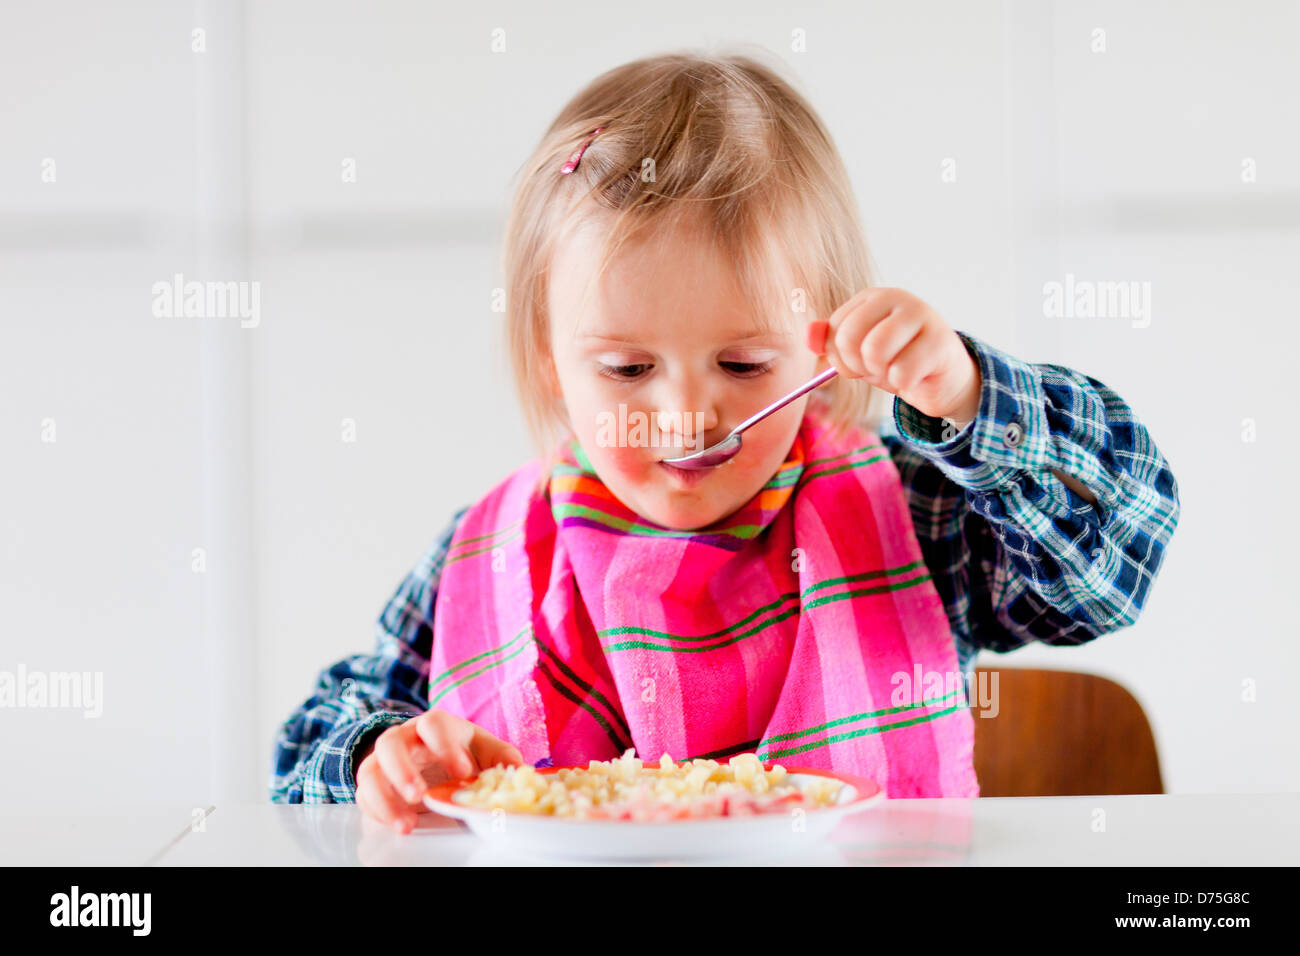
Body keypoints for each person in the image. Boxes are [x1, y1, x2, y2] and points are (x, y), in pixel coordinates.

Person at [270, 50, 1180, 833]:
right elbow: (307, 747)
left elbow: (1110, 562)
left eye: (743, 364)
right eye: (627, 370)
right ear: (552, 363)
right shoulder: (495, 552)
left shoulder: (913, 510)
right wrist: (373, 759)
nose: (685, 418)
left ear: (823, 341)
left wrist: (975, 398)